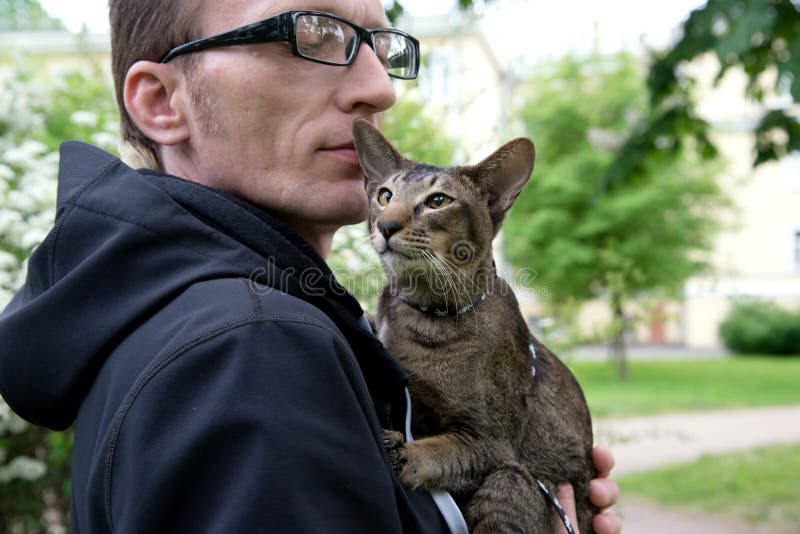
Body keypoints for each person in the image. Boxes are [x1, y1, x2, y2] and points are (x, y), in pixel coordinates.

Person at [0, 0, 620, 532]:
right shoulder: (251, 344)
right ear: (163, 101)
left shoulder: (163, 309)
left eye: (382, 46)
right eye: (312, 32)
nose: (381, 89)